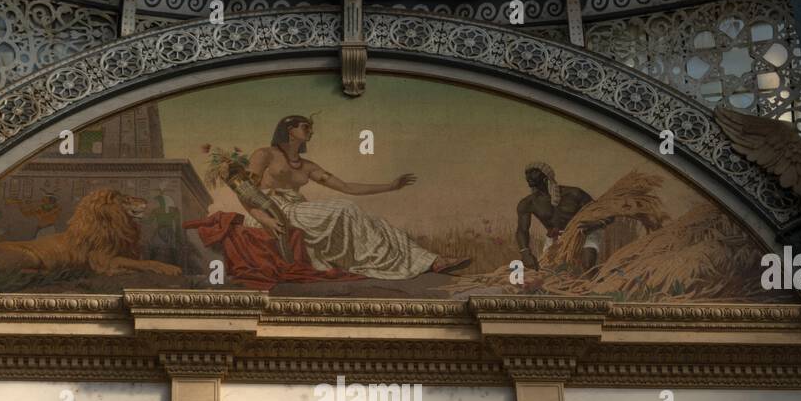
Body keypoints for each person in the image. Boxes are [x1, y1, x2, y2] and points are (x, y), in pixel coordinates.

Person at [242, 115, 468, 278]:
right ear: (289, 129)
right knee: (344, 208)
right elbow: (245, 192)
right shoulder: (264, 155)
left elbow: (347, 187)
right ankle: (375, 260)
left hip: (297, 209)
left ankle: (432, 261)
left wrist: (390, 186)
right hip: (273, 211)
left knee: (377, 222)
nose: (311, 131)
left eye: (311, 128)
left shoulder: (307, 166)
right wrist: (263, 219)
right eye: (305, 127)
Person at [515, 162, 600, 270]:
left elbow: (601, 213)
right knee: (550, 271)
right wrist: (525, 252)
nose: (528, 176)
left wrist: (591, 226)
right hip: (555, 238)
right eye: (527, 173)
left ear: (546, 176)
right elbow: (522, 230)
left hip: (584, 234)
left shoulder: (574, 193)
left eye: (534, 172)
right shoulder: (527, 203)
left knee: (587, 266)